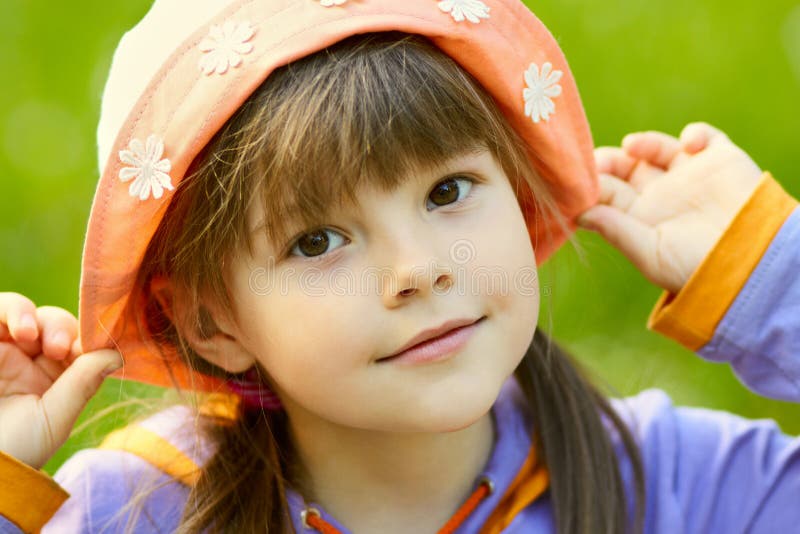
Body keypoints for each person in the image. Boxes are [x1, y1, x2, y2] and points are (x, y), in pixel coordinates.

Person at [1, 1, 798, 532]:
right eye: (317, 241)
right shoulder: (136, 510)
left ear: (519, 194)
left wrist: (774, 278)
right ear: (213, 321)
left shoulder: (669, 484)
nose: (416, 269)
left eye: (449, 190)